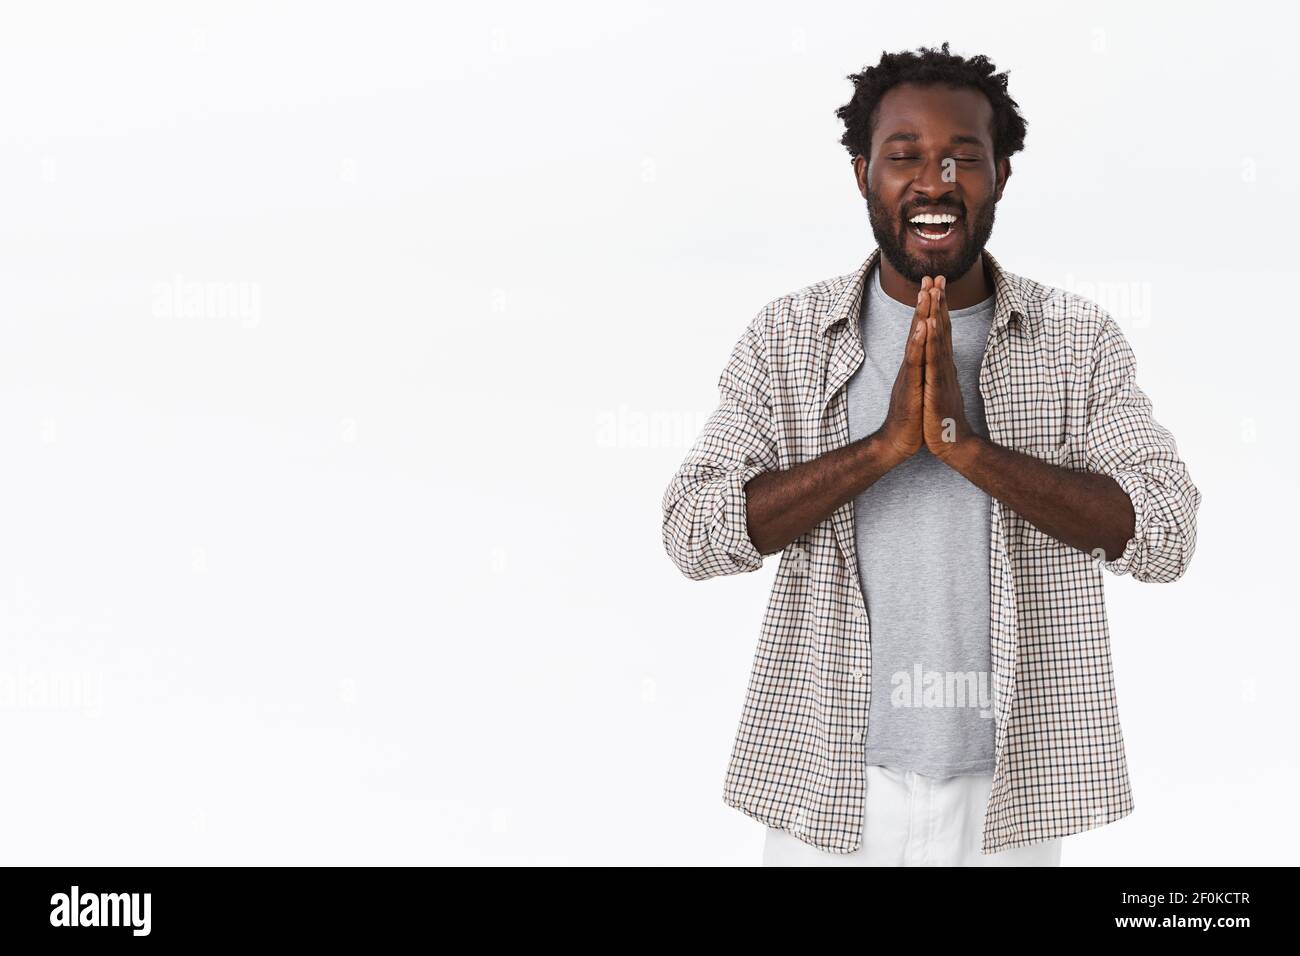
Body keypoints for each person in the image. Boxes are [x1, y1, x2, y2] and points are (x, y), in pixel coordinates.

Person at [660, 42, 1202, 866]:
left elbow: (1166, 533)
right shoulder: (786, 339)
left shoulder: (1079, 341)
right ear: (861, 174)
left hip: (1012, 794)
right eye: (904, 156)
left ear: (1003, 175)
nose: (935, 181)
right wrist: (881, 449)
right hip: (829, 788)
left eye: (963, 158)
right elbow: (692, 532)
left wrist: (967, 450)